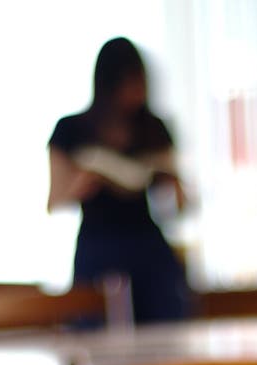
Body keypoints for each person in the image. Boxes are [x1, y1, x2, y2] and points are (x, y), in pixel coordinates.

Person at [47, 37, 191, 323]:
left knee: (166, 326)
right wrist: (83, 183)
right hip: (97, 248)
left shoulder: (153, 128)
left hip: (147, 247)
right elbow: (54, 202)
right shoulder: (71, 130)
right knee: (94, 330)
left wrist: (170, 180)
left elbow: (180, 207)